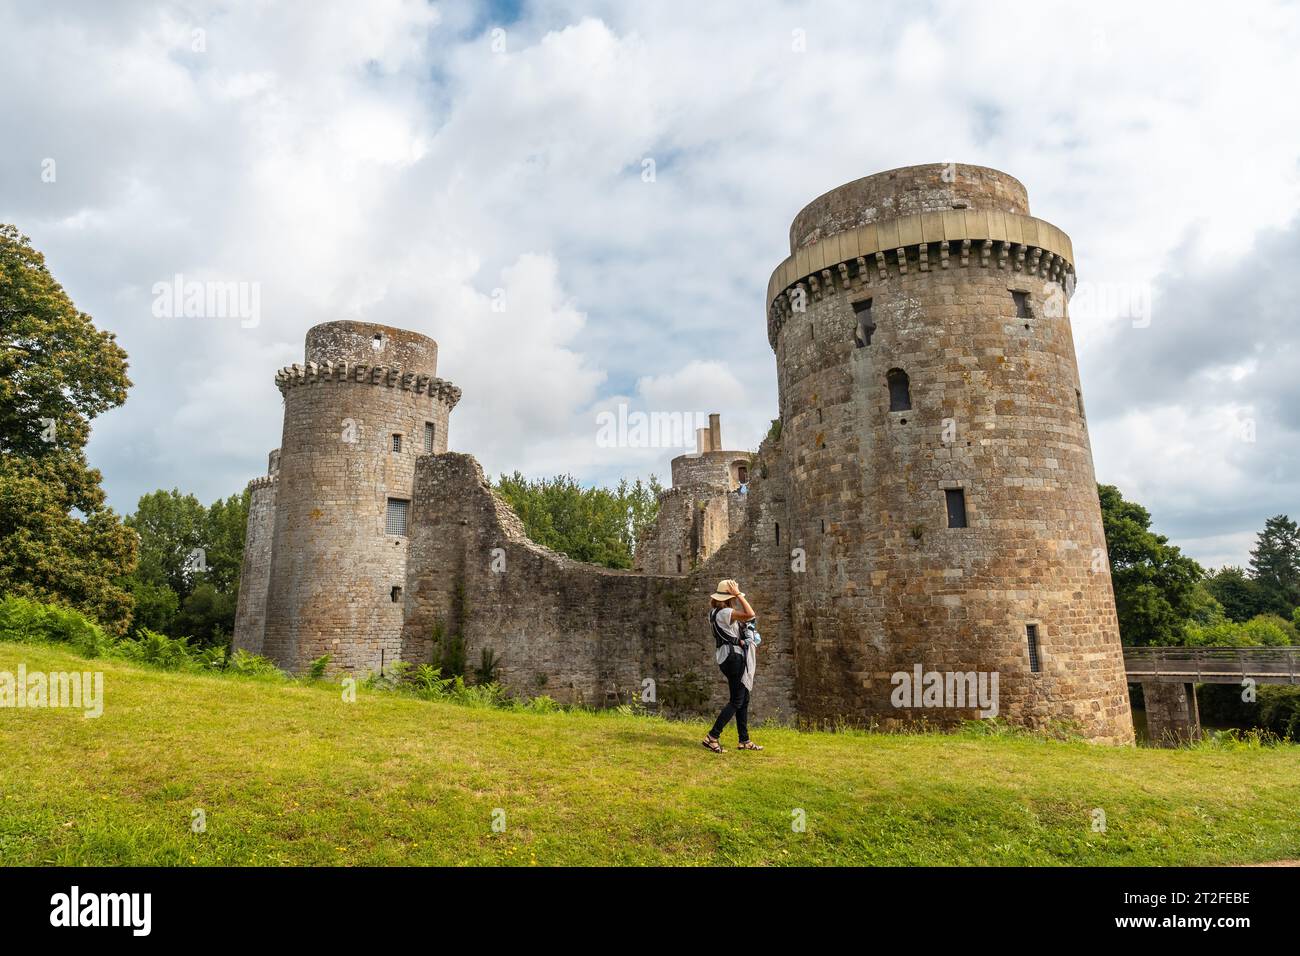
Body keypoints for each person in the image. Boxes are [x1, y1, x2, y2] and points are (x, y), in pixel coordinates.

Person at [701, 579, 764, 753]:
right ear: (729, 598)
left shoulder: (713, 613)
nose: (735, 599)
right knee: (737, 700)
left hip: (725, 657)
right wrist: (738, 594)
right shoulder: (725, 612)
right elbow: (751, 614)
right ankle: (712, 737)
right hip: (734, 657)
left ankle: (744, 740)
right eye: (734, 597)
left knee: (743, 698)